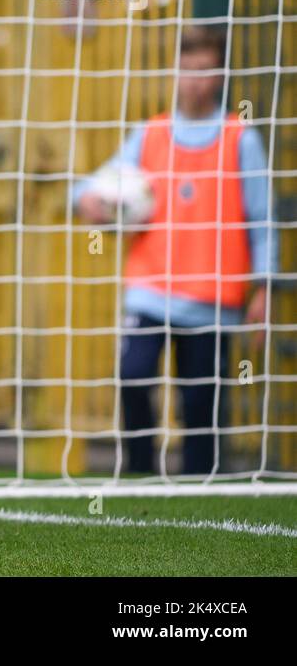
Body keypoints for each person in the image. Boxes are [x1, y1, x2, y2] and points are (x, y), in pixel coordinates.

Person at [73, 23, 274, 476]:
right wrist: (86, 199)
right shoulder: (150, 134)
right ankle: (140, 473)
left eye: (205, 70)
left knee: (199, 406)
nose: (196, 80)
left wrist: (263, 291)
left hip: (210, 299)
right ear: (175, 72)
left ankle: (197, 491)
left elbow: (262, 223)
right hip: (149, 290)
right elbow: (94, 185)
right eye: (188, 69)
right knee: (133, 376)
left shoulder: (242, 139)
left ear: (219, 75)